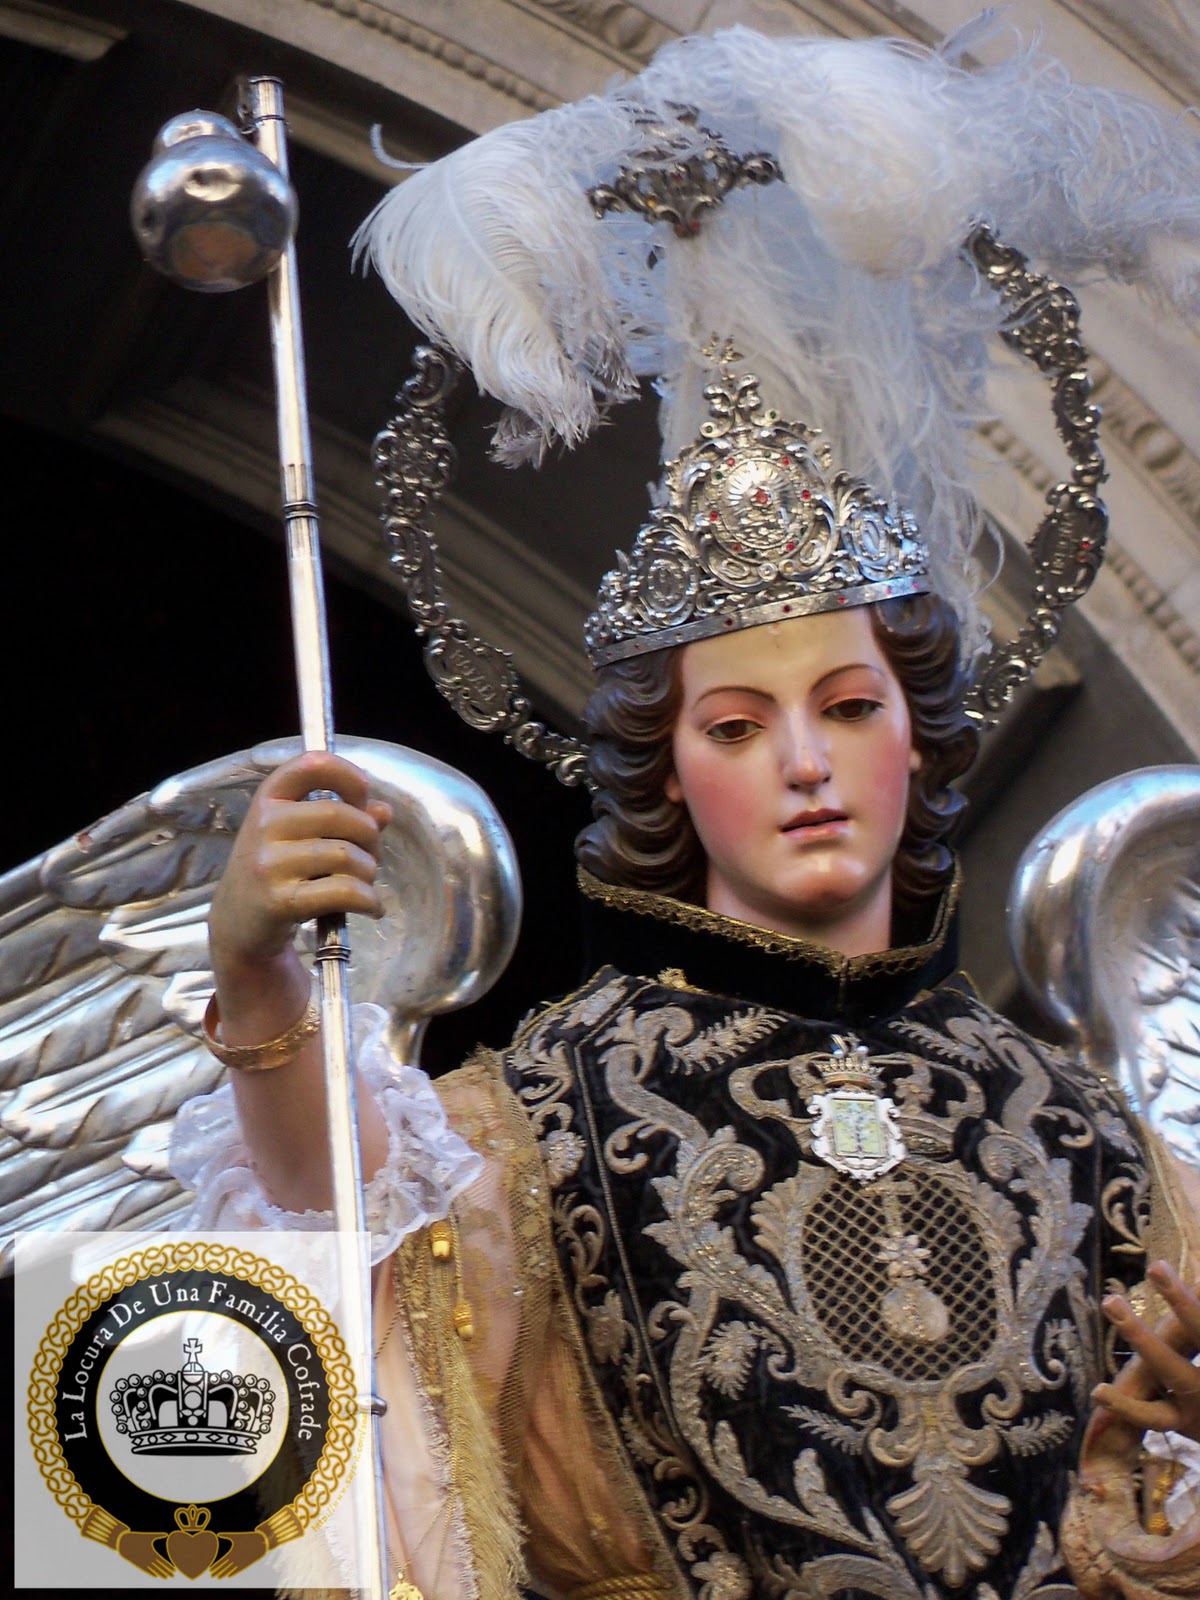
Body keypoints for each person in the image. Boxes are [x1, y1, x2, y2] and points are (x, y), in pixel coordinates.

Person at [171, 23, 1200, 1599]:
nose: (806, 761)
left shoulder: (1104, 1142)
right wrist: (258, 989)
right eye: (739, 723)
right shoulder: (515, 1138)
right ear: (666, 770)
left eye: (851, 708)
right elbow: (324, 1309)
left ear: (922, 740)